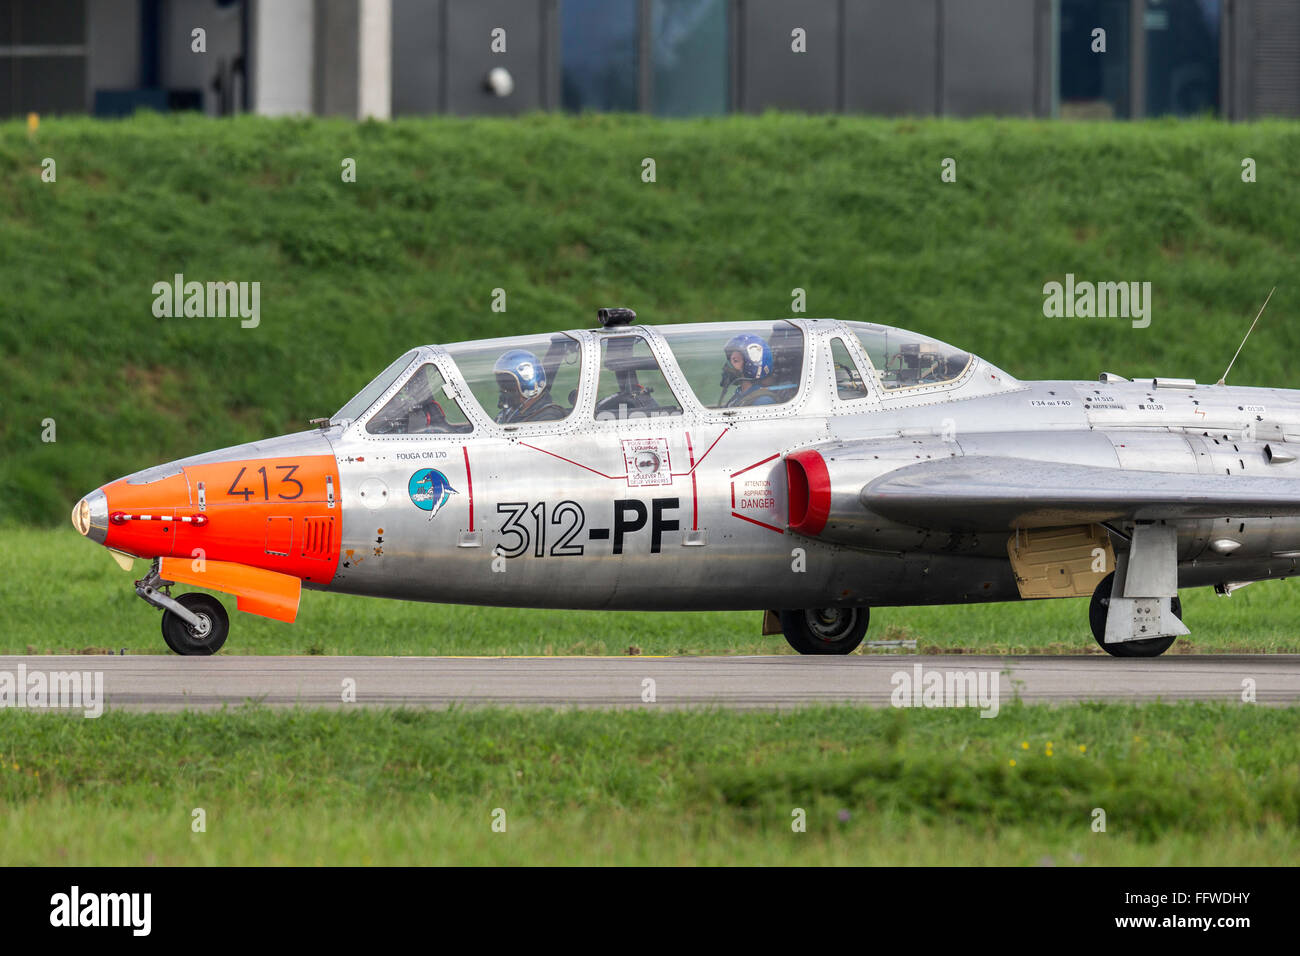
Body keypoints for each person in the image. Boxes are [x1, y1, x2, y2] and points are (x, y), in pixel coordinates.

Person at [493, 349, 567, 424]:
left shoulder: (549, 418)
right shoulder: (508, 413)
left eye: (508, 387)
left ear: (529, 384)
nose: (503, 390)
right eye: (502, 385)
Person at [720, 333, 785, 407]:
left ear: (751, 367)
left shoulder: (763, 402)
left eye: (735, 360)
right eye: (730, 360)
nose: (727, 366)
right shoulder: (740, 394)